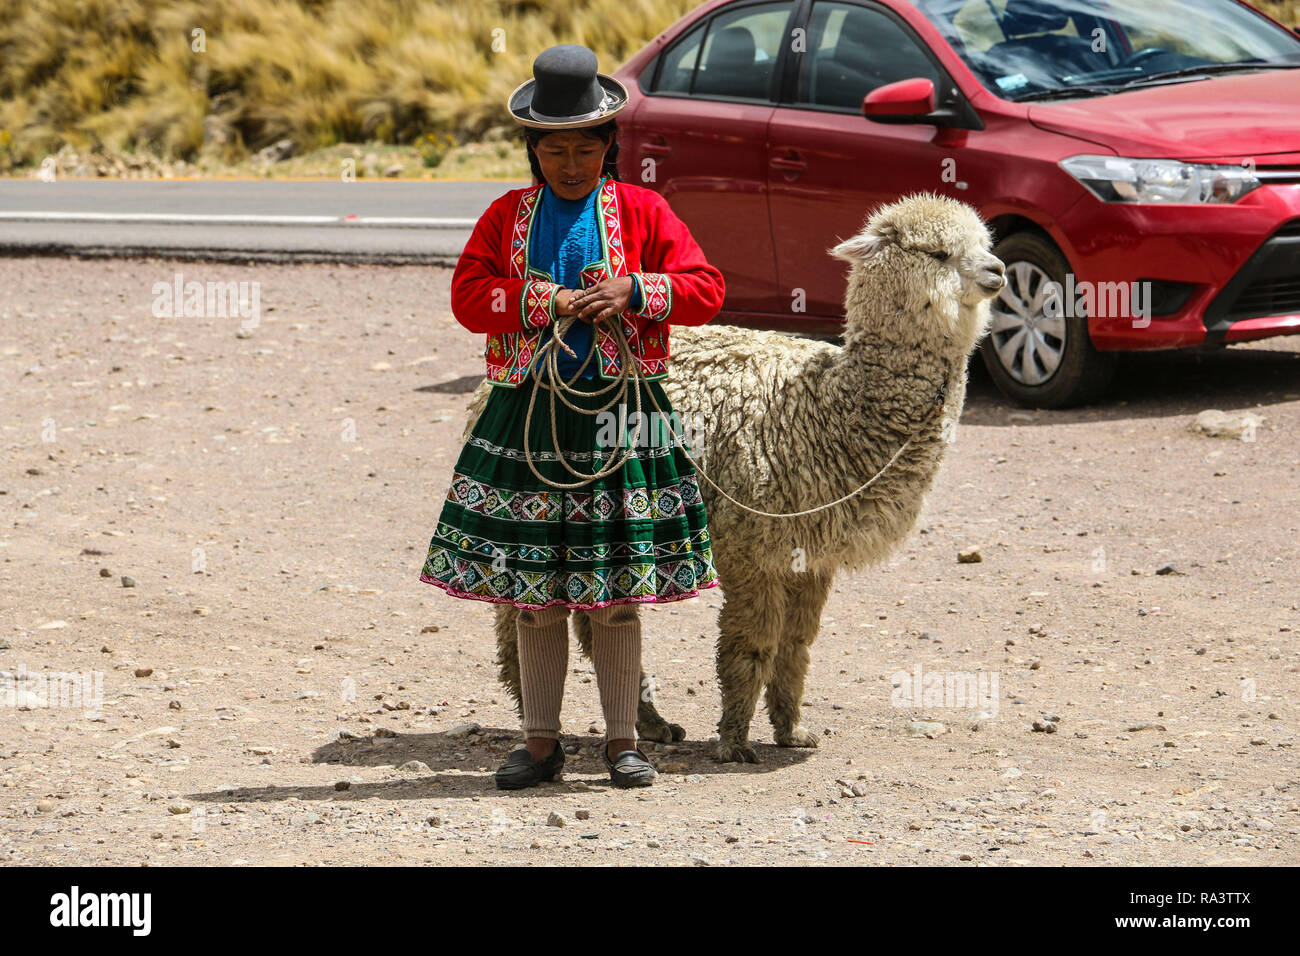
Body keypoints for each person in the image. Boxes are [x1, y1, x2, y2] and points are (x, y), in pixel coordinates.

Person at [418, 43, 725, 789]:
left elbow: (706, 287)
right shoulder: (504, 220)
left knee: (616, 592)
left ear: (608, 147)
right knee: (536, 595)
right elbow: (467, 298)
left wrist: (636, 291)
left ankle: (623, 741)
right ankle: (542, 741)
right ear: (533, 150)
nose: (570, 162)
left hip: (621, 421)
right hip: (529, 421)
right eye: (553, 148)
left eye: (584, 147)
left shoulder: (644, 212)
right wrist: (543, 300)